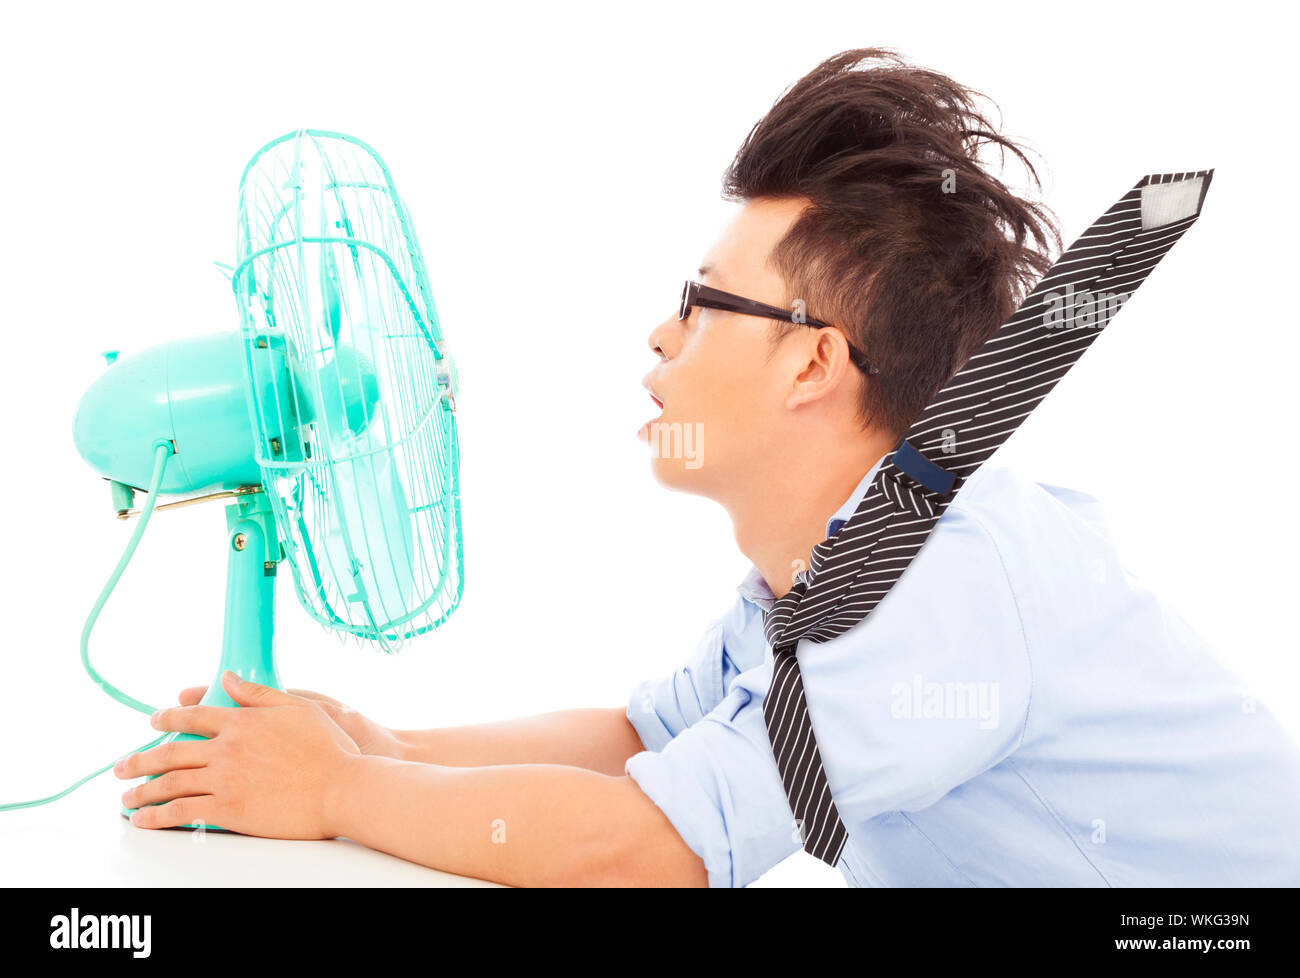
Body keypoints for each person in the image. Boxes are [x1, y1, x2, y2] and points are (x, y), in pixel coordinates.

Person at [115, 48, 1300, 887]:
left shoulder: (937, 582)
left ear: (812, 365)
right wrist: (375, 744)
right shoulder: (824, 568)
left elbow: (652, 851)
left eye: (703, 301)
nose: (659, 334)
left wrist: (335, 794)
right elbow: (641, 741)